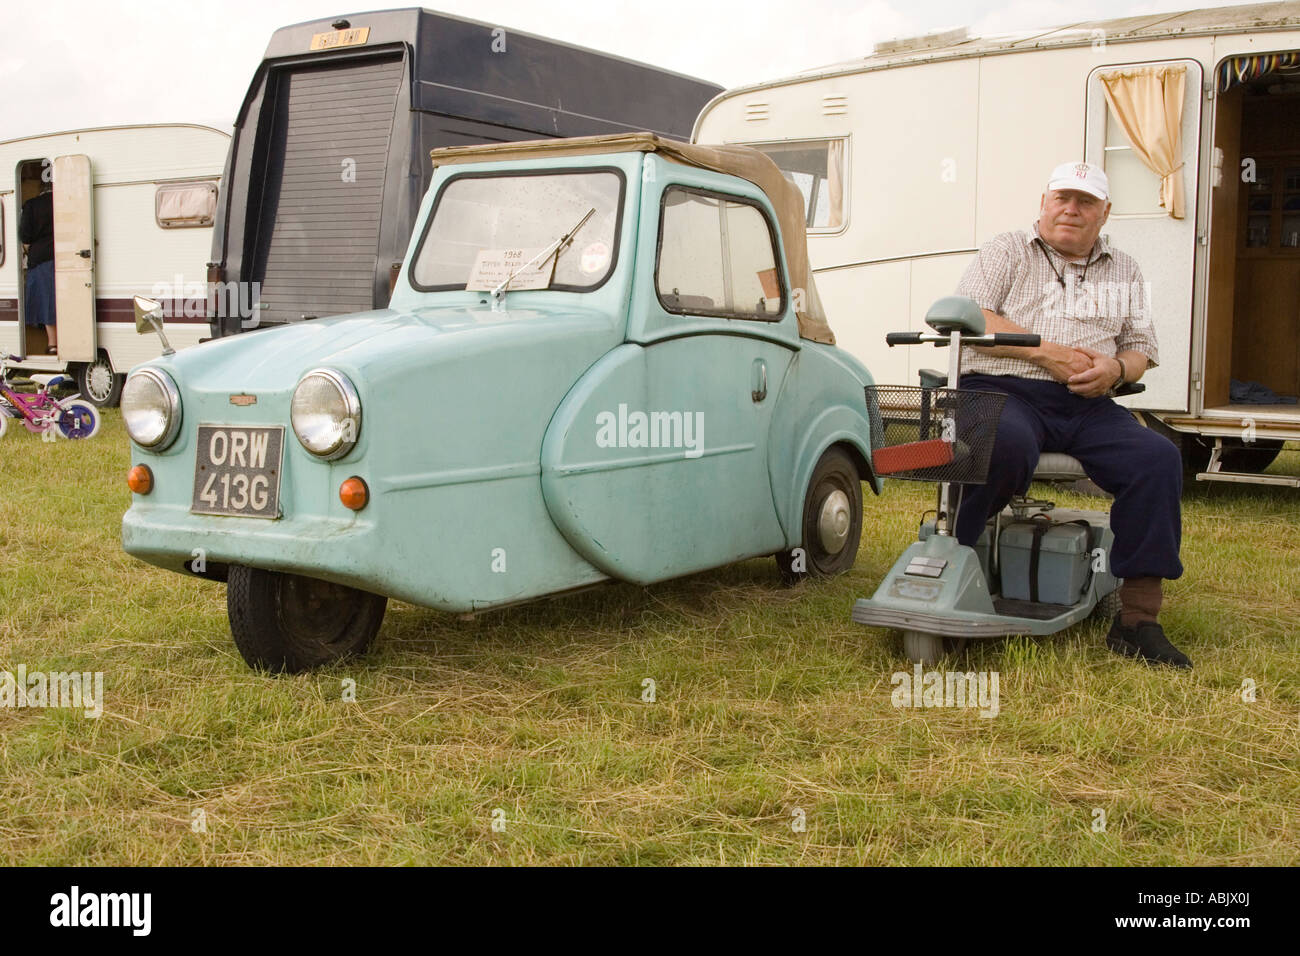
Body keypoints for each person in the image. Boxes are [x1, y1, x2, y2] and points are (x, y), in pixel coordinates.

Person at [952, 161, 1191, 669]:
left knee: (1158, 459)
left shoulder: (1123, 268)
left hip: (1086, 401)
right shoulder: (1007, 249)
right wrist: (1045, 352)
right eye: (1062, 197)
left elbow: (1141, 347)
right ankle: (957, 563)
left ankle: (1137, 621)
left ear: (1104, 213)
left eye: (1085, 202)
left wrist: (1115, 368)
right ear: (1044, 203)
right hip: (1003, 385)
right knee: (1006, 444)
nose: (1071, 209)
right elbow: (971, 315)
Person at [19, 182, 57, 352]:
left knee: (47, 302)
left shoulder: (32, 205)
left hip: (42, 259)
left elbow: (25, 238)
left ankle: (53, 344)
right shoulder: (68, 202)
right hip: (68, 256)